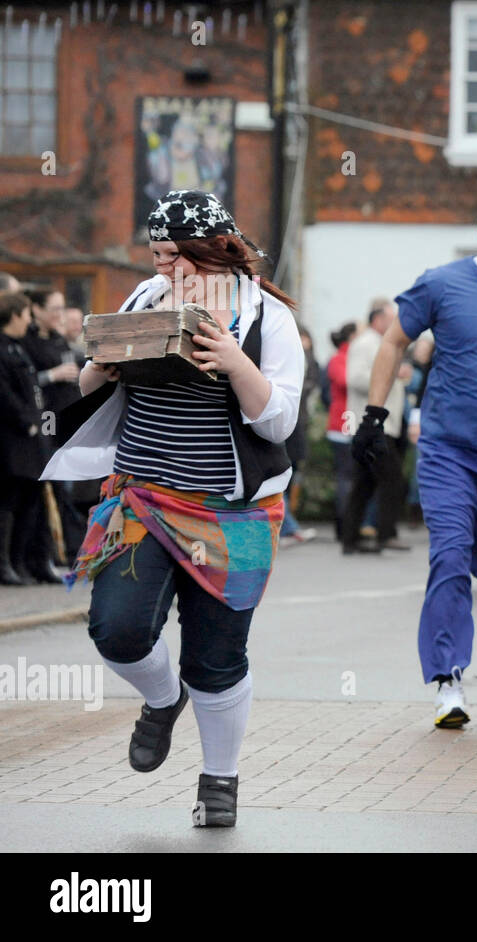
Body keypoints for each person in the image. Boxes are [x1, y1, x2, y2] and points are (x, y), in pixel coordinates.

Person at [41, 190, 304, 827]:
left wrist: (236, 361)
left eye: (183, 258)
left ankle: (220, 779)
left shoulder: (266, 315)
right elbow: (87, 386)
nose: (171, 272)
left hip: (237, 513)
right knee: (117, 629)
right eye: (160, 258)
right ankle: (163, 698)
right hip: (140, 498)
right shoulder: (141, 300)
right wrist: (100, 367)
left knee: (218, 654)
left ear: (218, 250)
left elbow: (278, 422)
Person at [350, 187, 477, 731]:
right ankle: (448, 680)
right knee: (450, 554)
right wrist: (373, 416)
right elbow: (393, 344)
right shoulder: (442, 282)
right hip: (448, 451)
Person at [20, 288, 78, 575]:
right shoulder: (27, 342)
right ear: (37, 310)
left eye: (61, 308)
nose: (59, 314)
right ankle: (42, 557)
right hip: (46, 419)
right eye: (54, 308)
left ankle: (60, 552)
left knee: (63, 490)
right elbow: (27, 381)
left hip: (65, 419)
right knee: (48, 485)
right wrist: (53, 375)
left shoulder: (58, 340)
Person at [342, 300, 408, 553]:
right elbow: (355, 378)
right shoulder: (366, 343)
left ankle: (352, 539)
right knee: (392, 479)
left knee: (365, 482)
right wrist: (391, 373)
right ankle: (385, 534)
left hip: (381, 424)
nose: (395, 324)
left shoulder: (378, 343)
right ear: (377, 320)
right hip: (371, 424)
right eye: (391, 319)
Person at [0, 291, 48, 586]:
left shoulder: (19, 348)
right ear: (15, 315)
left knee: (28, 503)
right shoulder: (3, 350)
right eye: (27, 315)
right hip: (11, 440)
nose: (29, 321)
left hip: (31, 442)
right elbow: (4, 394)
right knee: (8, 502)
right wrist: (26, 421)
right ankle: (4, 564)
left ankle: (20, 562)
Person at [281, 323, 320, 546]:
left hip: (298, 420)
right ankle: (289, 526)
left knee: (291, 471)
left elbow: (313, 379)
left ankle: (287, 524)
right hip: (287, 418)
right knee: (280, 472)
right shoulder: (286, 350)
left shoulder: (307, 358)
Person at [325, 321, 359, 541]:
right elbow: (346, 380)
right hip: (342, 425)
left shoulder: (348, 358)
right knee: (346, 479)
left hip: (350, 423)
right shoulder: (340, 358)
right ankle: (343, 525)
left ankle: (351, 525)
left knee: (352, 478)